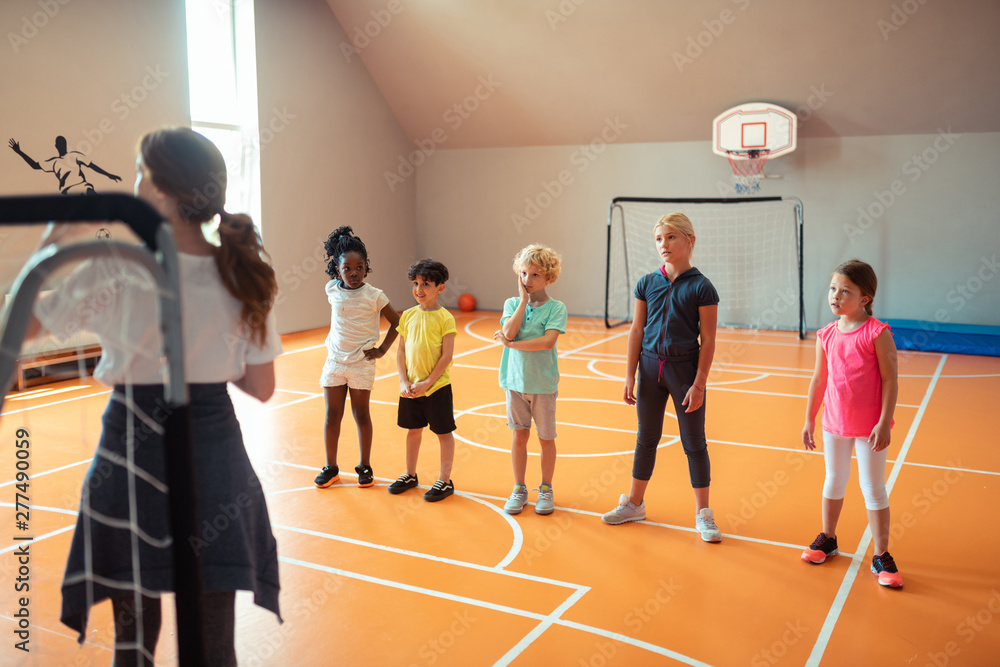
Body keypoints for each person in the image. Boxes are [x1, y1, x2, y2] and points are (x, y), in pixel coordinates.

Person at [30, 127, 282, 665]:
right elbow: (261, 387)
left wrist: (50, 246)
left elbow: (22, 326)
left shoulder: (117, 266)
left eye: (141, 173)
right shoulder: (244, 274)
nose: (136, 185)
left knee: (134, 637)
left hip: (131, 450)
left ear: (164, 191)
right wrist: (208, 356)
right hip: (213, 454)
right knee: (213, 641)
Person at [601, 213, 722, 543]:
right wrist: (629, 375)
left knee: (694, 443)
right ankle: (635, 504)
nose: (664, 245)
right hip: (649, 370)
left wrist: (699, 383)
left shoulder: (702, 287)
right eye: (658, 239)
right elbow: (637, 329)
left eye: (671, 238)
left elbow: (708, 339)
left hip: (684, 373)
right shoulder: (647, 282)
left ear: (689, 241)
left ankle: (704, 514)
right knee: (646, 437)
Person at [801, 259, 902, 587]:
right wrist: (809, 419)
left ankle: (881, 555)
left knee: (873, 488)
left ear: (865, 298)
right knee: (834, 480)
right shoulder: (826, 334)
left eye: (846, 291)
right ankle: (828, 538)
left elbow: (890, 380)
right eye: (833, 289)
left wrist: (884, 422)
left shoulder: (877, 333)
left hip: (870, 428)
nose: (836, 296)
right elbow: (819, 380)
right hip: (834, 424)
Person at [314, 226, 399, 489]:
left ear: (367, 269)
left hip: (362, 365)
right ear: (337, 270)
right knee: (332, 416)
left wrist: (383, 349)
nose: (353, 273)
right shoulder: (332, 289)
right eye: (347, 268)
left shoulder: (375, 296)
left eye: (359, 267)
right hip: (335, 363)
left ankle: (365, 466)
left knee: (362, 415)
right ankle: (331, 467)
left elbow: (398, 323)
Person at [493, 245, 567, 515]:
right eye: (523, 273)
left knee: (546, 438)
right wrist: (523, 302)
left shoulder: (556, 308)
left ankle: (546, 488)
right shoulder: (513, 304)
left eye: (535, 275)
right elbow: (509, 332)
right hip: (514, 383)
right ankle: (520, 488)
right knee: (519, 436)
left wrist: (511, 345)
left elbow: (546, 342)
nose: (527, 280)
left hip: (543, 386)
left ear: (548, 277)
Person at [389, 259, 457, 502]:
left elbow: (447, 355)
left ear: (440, 288)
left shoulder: (445, 318)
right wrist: (403, 381)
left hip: (436, 388)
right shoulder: (407, 316)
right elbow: (401, 352)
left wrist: (427, 383)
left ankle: (445, 480)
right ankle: (410, 474)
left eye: (425, 284)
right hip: (410, 388)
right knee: (413, 430)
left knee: (443, 433)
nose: (419, 289)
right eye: (416, 283)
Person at [9, 135, 122, 194]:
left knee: (91, 193)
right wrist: (20, 152)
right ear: (56, 146)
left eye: (63, 144)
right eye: (59, 144)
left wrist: (109, 175)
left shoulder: (74, 156)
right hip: (68, 192)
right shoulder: (54, 162)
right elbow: (34, 165)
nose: (61, 146)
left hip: (82, 187)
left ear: (66, 145)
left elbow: (92, 166)